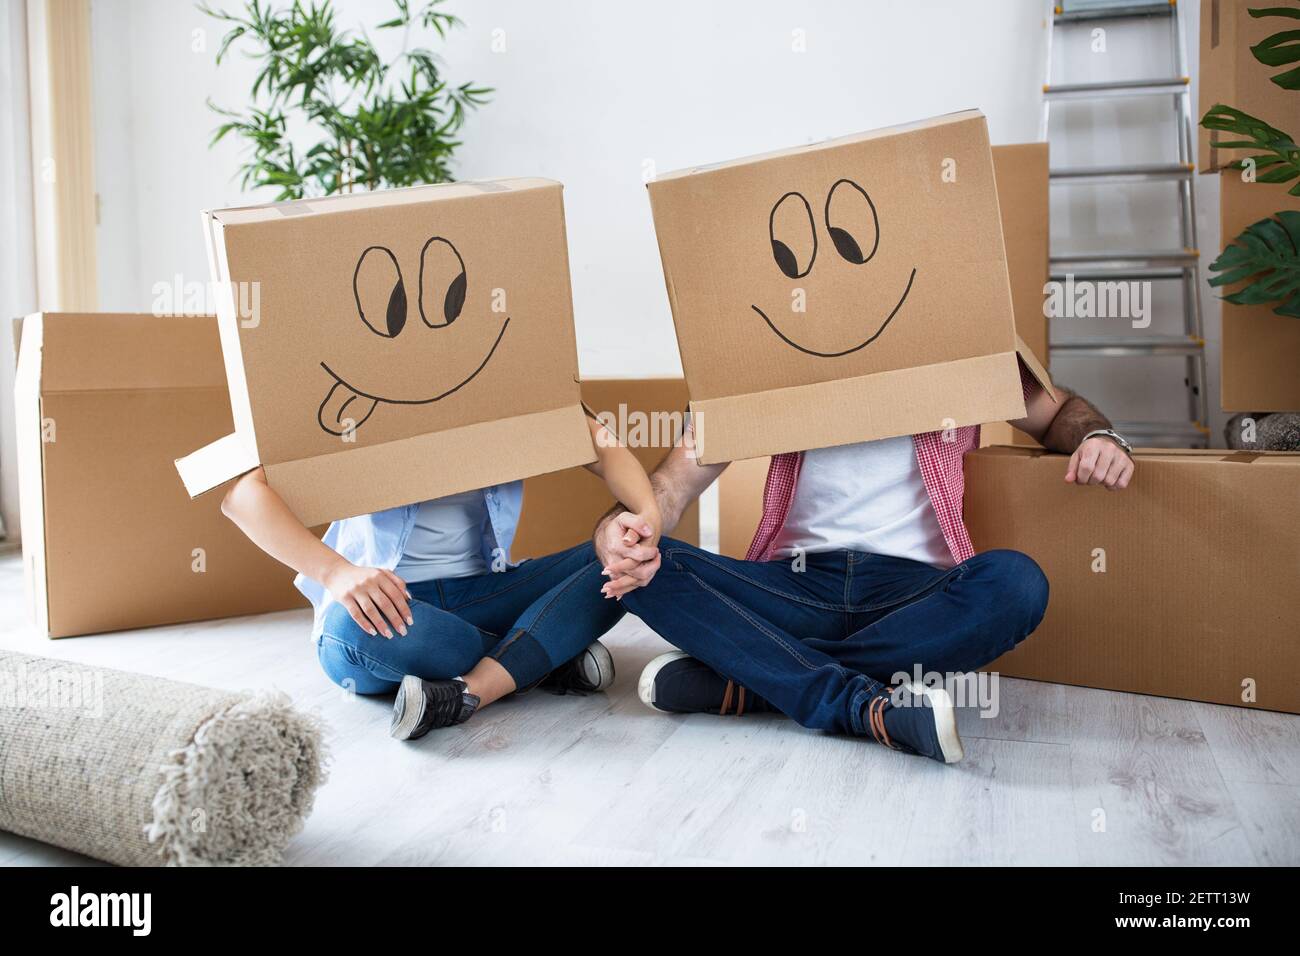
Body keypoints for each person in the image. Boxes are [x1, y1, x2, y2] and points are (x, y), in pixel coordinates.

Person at [593, 366, 1134, 765]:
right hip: (794, 588)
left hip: (912, 600)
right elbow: (669, 487)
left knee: (1016, 584)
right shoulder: (770, 351)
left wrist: (1096, 435)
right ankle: (860, 705)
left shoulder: (964, 341)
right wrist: (626, 528)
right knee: (643, 569)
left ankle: (762, 681)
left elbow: (1060, 411)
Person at [222, 414, 659, 741]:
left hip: (484, 592)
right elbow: (241, 497)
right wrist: (336, 573)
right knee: (350, 626)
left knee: (620, 558)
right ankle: (541, 651)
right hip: (386, 610)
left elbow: (600, 444)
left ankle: (522, 656)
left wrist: (649, 517)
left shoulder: (506, 384)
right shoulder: (355, 395)